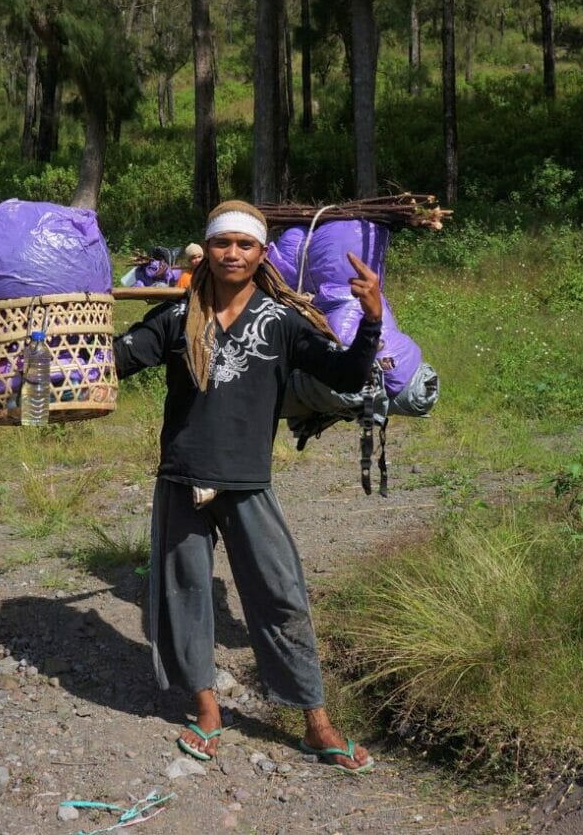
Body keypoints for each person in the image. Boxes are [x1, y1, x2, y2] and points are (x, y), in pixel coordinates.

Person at [113, 200, 382, 773]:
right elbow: (115, 361)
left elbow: (349, 375)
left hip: (247, 482)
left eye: (245, 244)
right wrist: (47, 336)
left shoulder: (282, 322)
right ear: (206, 251)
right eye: (222, 243)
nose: (232, 253)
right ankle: (207, 711)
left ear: (261, 256)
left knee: (281, 596)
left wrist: (373, 318)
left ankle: (316, 723)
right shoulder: (175, 317)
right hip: (181, 477)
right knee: (184, 595)